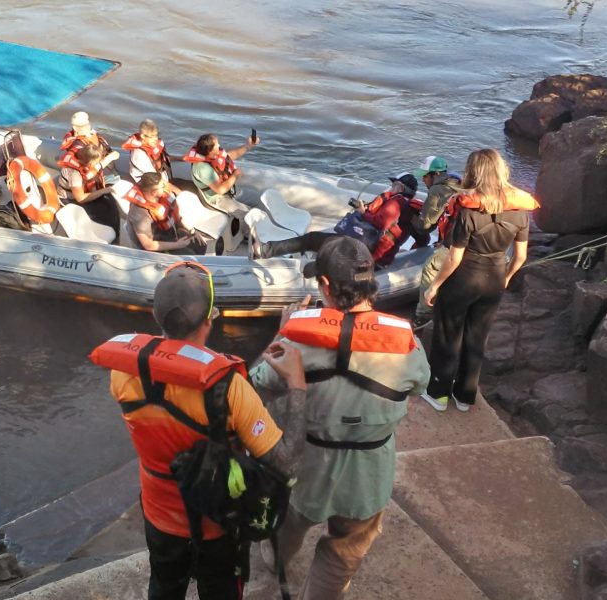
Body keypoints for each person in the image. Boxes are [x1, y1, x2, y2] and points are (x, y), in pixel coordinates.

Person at [90, 262, 310, 600]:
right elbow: (287, 463)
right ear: (210, 318)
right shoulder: (230, 387)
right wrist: (296, 384)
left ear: (157, 317)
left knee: (164, 588)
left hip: (159, 515)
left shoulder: (123, 374)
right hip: (217, 525)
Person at [249, 237, 431, 600]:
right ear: (370, 281)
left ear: (326, 286)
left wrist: (282, 334)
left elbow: (257, 386)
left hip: (308, 470)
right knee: (343, 554)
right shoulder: (407, 345)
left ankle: (275, 561)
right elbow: (419, 383)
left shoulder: (297, 343)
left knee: (289, 526)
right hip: (369, 477)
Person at [420, 148, 538, 413]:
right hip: (495, 276)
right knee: (477, 337)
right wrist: (506, 278)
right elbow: (520, 257)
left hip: (464, 278)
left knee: (449, 334)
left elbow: (454, 258)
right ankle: (465, 397)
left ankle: (438, 394)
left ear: (473, 173)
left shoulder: (468, 211)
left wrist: (434, 286)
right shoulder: (520, 211)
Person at [249, 173, 425, 267]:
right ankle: (268, 250)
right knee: (322, 240)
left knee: (312, 239)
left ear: (400, 187)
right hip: (377, 256)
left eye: (394, 184)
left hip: (364, 255)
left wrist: (363, 212)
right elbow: (422, 236)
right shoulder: (412, 210)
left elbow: (382, 223)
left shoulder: (396, 203)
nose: (391, 187)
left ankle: (264, 250)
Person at [409, 155, 463, 327]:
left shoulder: (437, 190)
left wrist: (411, 217)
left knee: (431, 266)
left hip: (456, 243)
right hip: (463, 236)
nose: (423, 180)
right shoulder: (458, 185)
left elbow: (425, 225)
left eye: (425, 176)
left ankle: (423, 315)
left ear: (436, 174)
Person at [124, 172, 207, 254]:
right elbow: (148, 245)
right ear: (154, 193)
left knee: (201, 245)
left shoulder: (162, 198)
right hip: (153, 250)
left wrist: (192, 231)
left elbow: (175, 217)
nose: (166, 187)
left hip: (169, 234)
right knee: (190, 254)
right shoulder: (139, 214)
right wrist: (178, 245)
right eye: (162, 186)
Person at [182, 133, 257, 221]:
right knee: (250, 216)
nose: (219, 145)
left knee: (257, 200)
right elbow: (220, 190)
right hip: (218, 199)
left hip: (231, 190)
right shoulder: (203, 169)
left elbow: (230, 156)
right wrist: (235, 175)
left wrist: (248, 146)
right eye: (217, 144)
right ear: (209, 150)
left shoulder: (211, 155)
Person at [57, 144, 120, 239]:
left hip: (83, 192)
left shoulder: (81, 154)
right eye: (96, 162)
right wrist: (104, 190)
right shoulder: (75, 174)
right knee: (104, 212)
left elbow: (96, 166)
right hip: (71, 199)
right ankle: (103, 235)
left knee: (110, 204)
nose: (97, 163)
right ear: (89, 163)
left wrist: (110, 157)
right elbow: (80, 198)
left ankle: (114, 232)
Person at [122, 119, 182, 194]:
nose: (156, 139)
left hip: (158, 176)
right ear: (143, 136)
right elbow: (155, 179)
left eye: (157, 135)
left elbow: (163, 159)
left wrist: (181, 158)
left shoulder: (153, 144)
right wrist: (177, 191)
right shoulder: (139, 155)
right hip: (148, 182)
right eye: (152, 136)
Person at [58, 111, 120, 177]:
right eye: (84, 126)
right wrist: (110, 158)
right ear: (75, 128)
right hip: (97, 176)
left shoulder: (91, 135)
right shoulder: (78, 146)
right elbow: (88, 171)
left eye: (88, 124)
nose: (88, 127)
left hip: (108, 171)